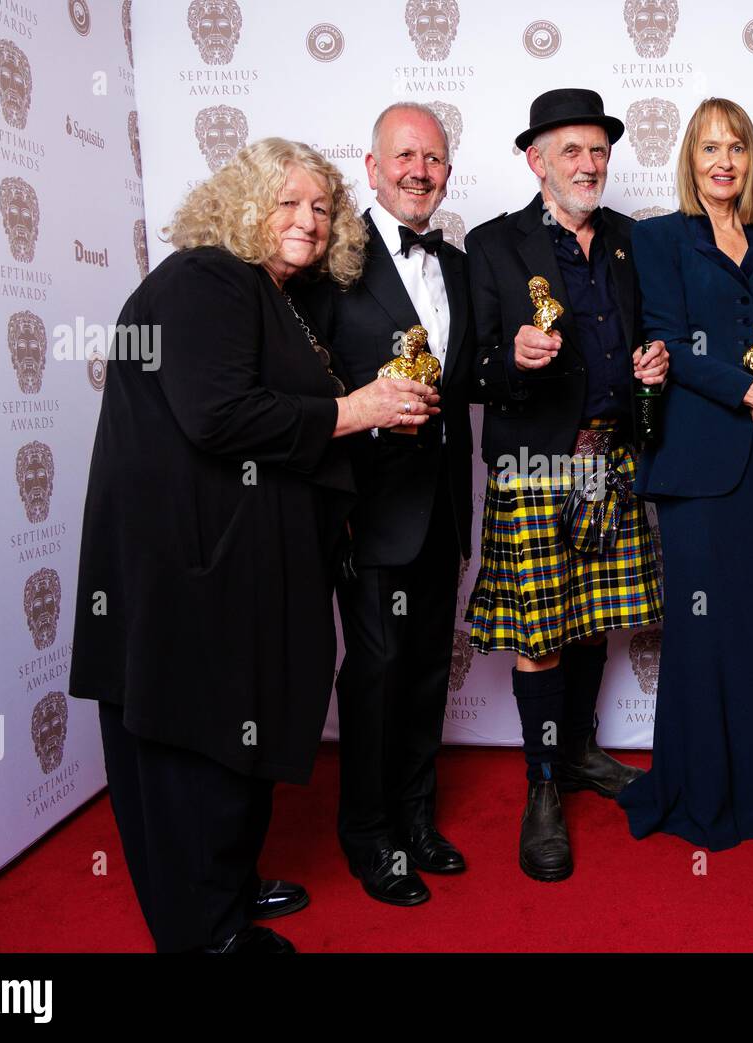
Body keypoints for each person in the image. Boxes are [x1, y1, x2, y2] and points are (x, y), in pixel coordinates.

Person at [68, 138, 440, 952]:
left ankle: (225, 887)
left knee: (234, 740)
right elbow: (217, 415)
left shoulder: (267, 295)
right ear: (244, 202)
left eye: (319, 206)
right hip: (194, 570)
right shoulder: (204, 278)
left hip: (237, 561)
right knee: (194, 747)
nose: (306, 220)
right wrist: (356, 410)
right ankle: (209, 933)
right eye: (287, 202)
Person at [465, 88, 669, 882]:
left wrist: (657, 362)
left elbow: (648, 330)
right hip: (535, 464)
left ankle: (581, 750)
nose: (590, 164)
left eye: (599, 150)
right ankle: (544, 782)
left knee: (590, 621)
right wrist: (510, 360)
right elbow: (468, 370)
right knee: (540, 635)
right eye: (572, 151)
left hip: (612, 457)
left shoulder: (628, 239)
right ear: (536, 160)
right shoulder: (492, 245)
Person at [615, 99, 753, 849]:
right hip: (698, 466)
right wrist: (752, 392)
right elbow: (667, 343)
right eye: (709, 149)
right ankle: (701, 790)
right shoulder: (659, 237)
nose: (724, 161)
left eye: (735, 147)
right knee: (703, 635)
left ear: (751, 160)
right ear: (690, 161)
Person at [301, 103, 475, 907]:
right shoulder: (332, 260)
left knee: (428, 671)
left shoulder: (460, 267)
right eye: (404, 156)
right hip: (366, 511)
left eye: (434, 159)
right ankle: (369, 837)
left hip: (440, 505)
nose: (419, 171)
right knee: (375, 674)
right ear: (372, 168)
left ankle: (415, 819)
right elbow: (307, 387)